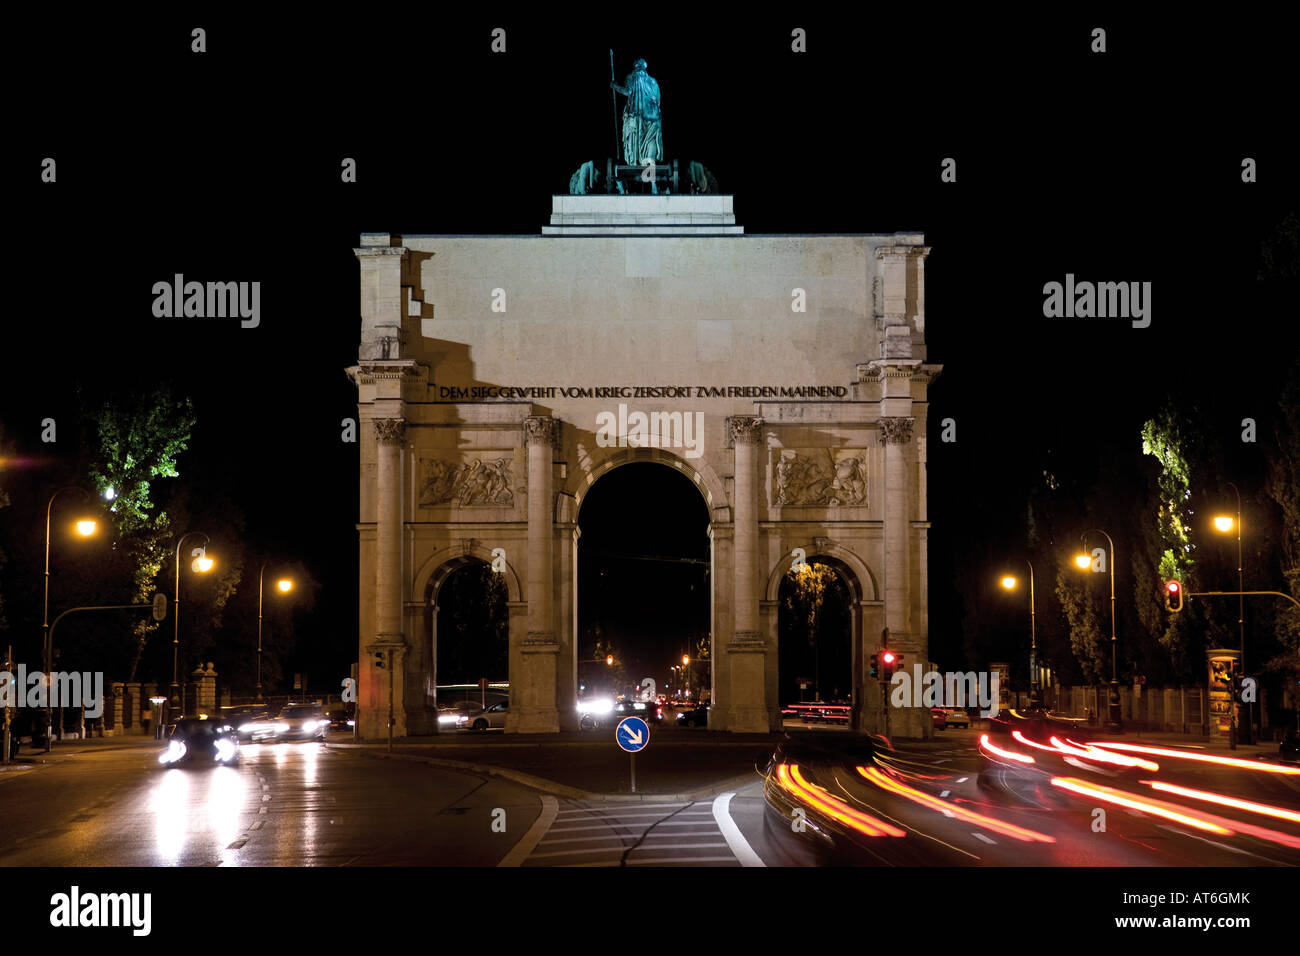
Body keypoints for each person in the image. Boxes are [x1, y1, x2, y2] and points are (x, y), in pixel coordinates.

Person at [610, 59, 662, 167]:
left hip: (636, 116)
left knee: (635, 140)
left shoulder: (632, 77)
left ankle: (636, 164)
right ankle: (648, 163)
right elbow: (658, 100)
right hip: (653, 118)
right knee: (649, 141)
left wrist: (615, 86)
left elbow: (628, 92)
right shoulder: (653, 81)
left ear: (635, 68)